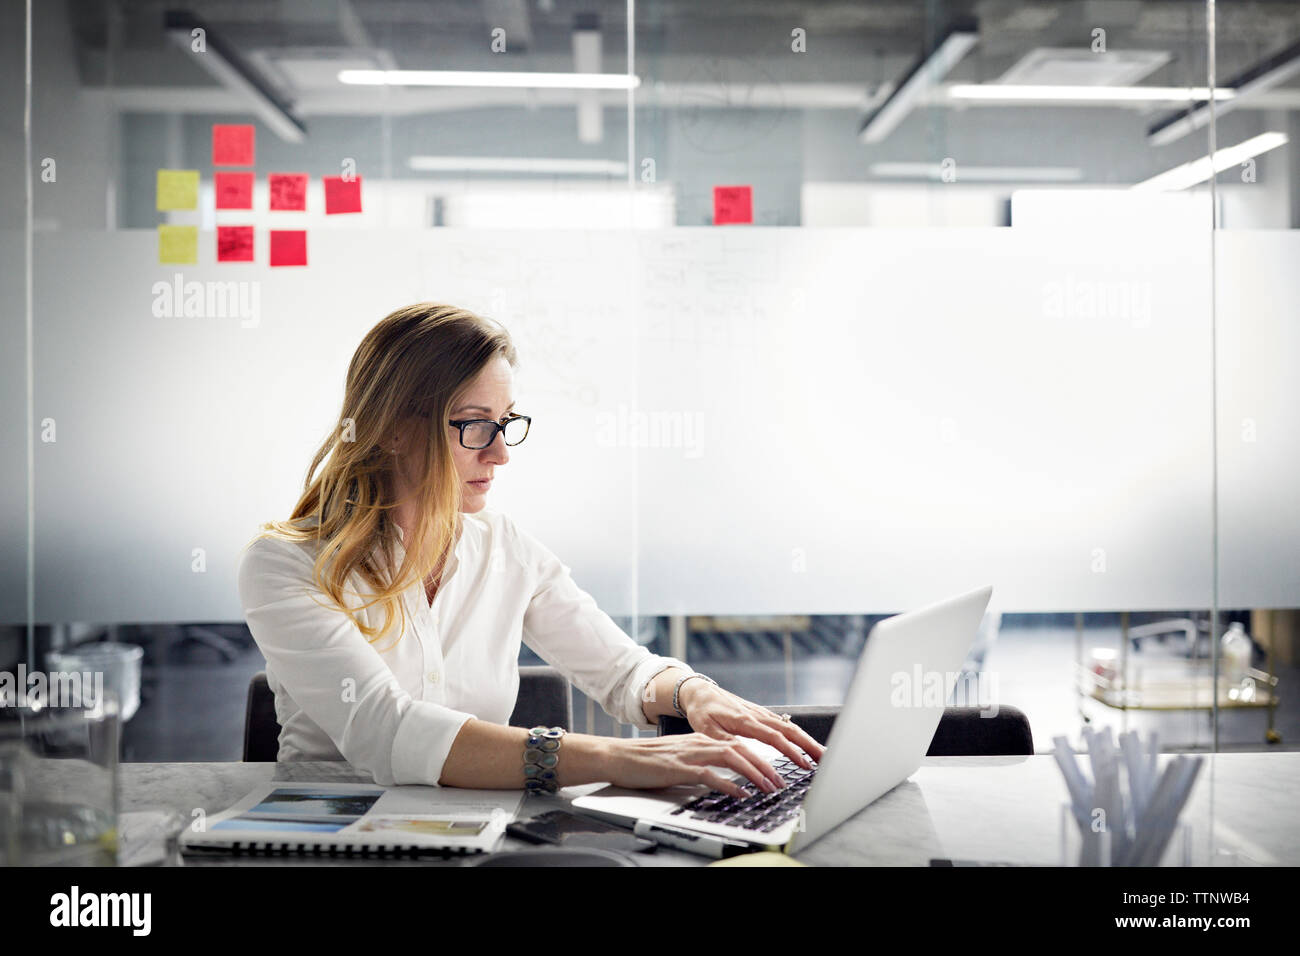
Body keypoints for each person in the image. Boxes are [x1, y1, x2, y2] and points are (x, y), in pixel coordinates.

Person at [237, 302, 824, 799]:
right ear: (392, 429)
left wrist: (693, 692)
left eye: (506, 422)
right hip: (332, 838)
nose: (499, 454)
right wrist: (616, 759)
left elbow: (621, 670)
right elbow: (387, 731)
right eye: (472, 425)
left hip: (475, 837)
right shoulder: (286, 564)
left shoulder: (505, 547)